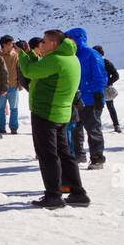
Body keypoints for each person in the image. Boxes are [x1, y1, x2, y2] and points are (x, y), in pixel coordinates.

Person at [16, 30, 87, 209]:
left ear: (54, 43)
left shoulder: (55, 59)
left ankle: (53, 195)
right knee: (65, 153)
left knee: (47, 155)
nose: (42, 45)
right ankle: (78, 192)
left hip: (46, 113)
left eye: (45, 42)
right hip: (61, 113)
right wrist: (30, 53)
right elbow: (40, 70)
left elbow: (30, 71)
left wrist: (22, 55)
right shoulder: (71, 58)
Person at [65, 27, 108, 170]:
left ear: (78, 38)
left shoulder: (91, 54)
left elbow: (100, 75)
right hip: (76, 98)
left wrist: (98, 94)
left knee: (93, 129)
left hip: (90, 98)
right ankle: (79, 154)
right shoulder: (71, 55)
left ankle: (97, 159)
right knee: (76, 129)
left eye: (69, 38)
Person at [93, 45, 121, 132]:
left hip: (101, 89)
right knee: (109, 107)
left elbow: (116, 76)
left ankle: (97, 127)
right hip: (102, 89)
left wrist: (106, 83)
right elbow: (116, 76)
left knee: (97, 108)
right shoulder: (105, 62)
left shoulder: (102, 63)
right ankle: (116, 126)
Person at [0, 36, 22, 135]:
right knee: (0, 108)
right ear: (4, 44)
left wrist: (20, 84)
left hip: (13, 86)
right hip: (1, 87)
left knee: (14, 108)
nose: (13, 45)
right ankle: (1, 128)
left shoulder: (15, 55)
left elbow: (19, 70)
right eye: (10, 44)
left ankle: (14, 128)